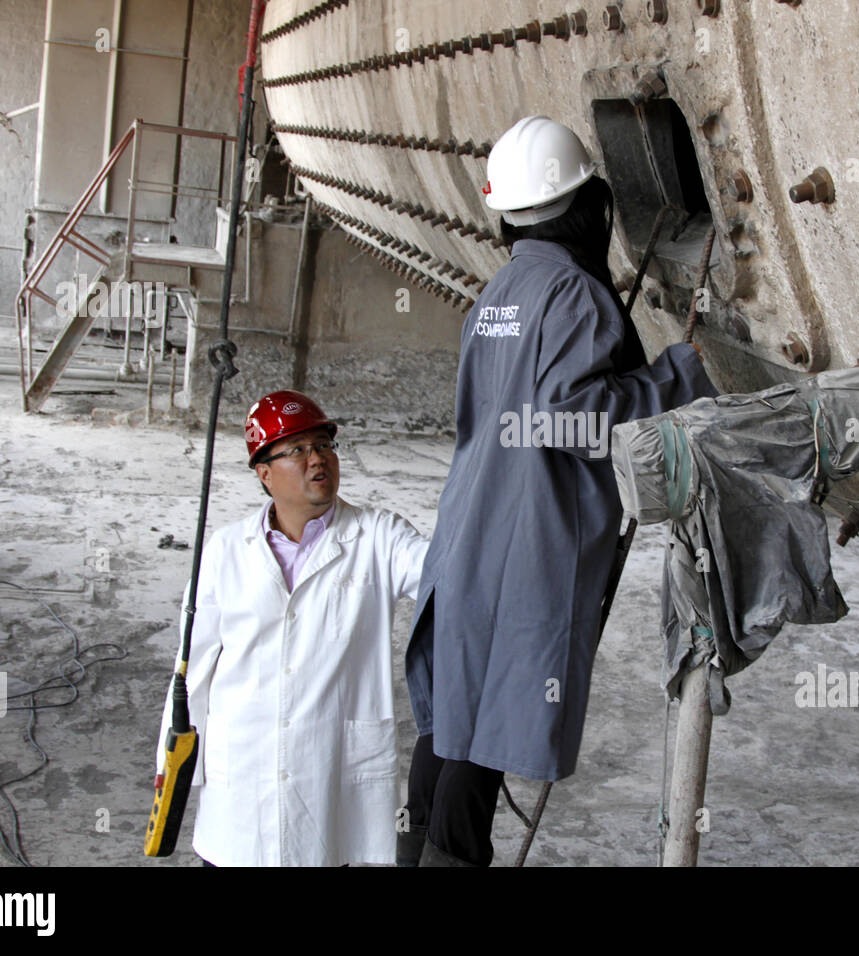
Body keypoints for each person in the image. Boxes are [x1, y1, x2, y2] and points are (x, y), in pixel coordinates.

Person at [401, 116, 719, 866]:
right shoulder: (575, 292)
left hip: (471, 522)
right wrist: (677, 374)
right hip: (527, 535)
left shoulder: (500, 291)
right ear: (586, 207)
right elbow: (573, 418)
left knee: (452, 720)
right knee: (479, 748)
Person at [155, 389, 429, 866]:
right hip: (241, 783)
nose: (317, 459)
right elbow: (192, 669)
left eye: (323, 444)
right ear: (264, 472)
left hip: (329, 776)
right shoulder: (224, 551)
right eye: (297, 450)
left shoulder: (379, 537)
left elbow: (443, 571)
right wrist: (172, 773)